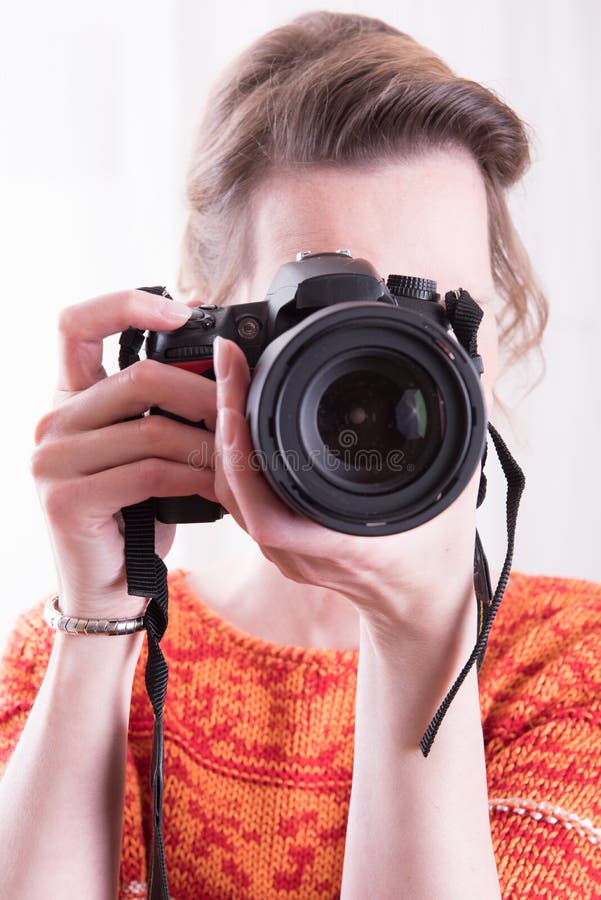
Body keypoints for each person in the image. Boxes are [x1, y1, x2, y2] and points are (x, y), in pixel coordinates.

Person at [0, 11, 599, 899]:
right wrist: (102, 620)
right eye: (323, 315)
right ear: (204, 337)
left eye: (436, 313)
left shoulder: (573, 662)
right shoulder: (66, 647)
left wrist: (423, 631)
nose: (381, 362)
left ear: (489, 337)